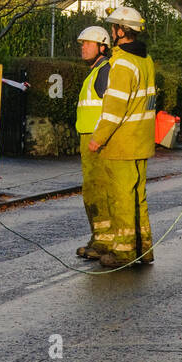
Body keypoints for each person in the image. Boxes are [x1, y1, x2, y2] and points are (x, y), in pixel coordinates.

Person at [87, 5, 156, 268]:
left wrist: (98, 138)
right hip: (142, 140)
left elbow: (115, 108)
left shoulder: (122, 63)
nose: (111, 31)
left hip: (123, 142)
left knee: (121, 196)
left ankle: (124, 252)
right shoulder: (145, 60)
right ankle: (143, 249)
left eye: (112, 27)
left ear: (119, 30)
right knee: (138, 196)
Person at [75, 25, 112, 260]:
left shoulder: (105, 71)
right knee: (91, 192)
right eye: (82, 44)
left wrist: (100, 138)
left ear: (102, 46)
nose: (83, 47)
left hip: (97, 140)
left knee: (99, 191)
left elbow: (111, 108)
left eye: (88, 43)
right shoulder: (95, 71)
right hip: (89, 138)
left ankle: (104, 242)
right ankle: (98, 238)